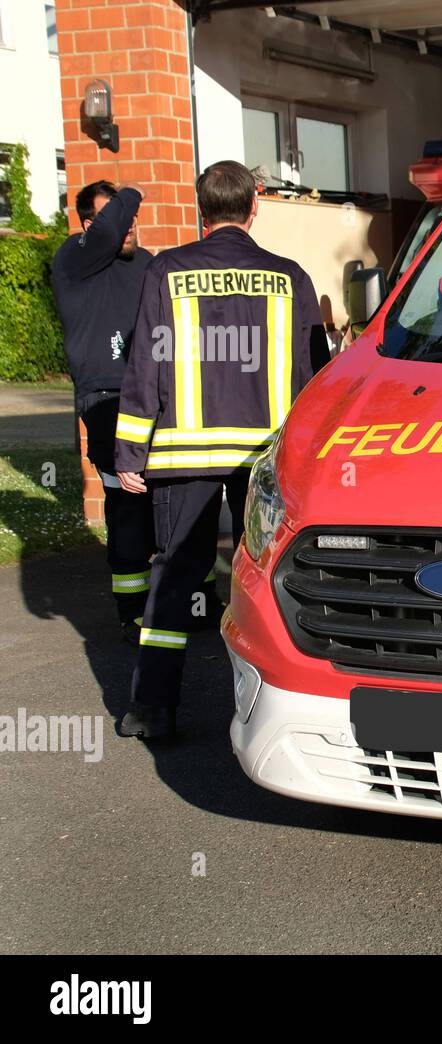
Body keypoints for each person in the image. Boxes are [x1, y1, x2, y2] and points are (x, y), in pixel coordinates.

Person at [114, 160, 325, 738]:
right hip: (264, 459)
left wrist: (131, 453)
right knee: (269, 574)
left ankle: (152, 708)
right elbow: (315, 374)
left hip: (186, 458)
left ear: (199, 210)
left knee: (176, 575)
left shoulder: (166, 271)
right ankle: (293, 710)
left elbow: (144, 366)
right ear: (254, 207)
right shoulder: (290, 278)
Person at [51, 182, 157, 641]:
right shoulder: (73, 260)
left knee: (173, 497)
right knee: (128, 501)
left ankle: (192, 598)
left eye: (132, 217)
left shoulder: (148, 265)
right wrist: (132, 192)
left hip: (157, 396)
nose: (129, 224)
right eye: (117, 216)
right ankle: (132, 606)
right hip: (107, 401)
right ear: (89, 225)